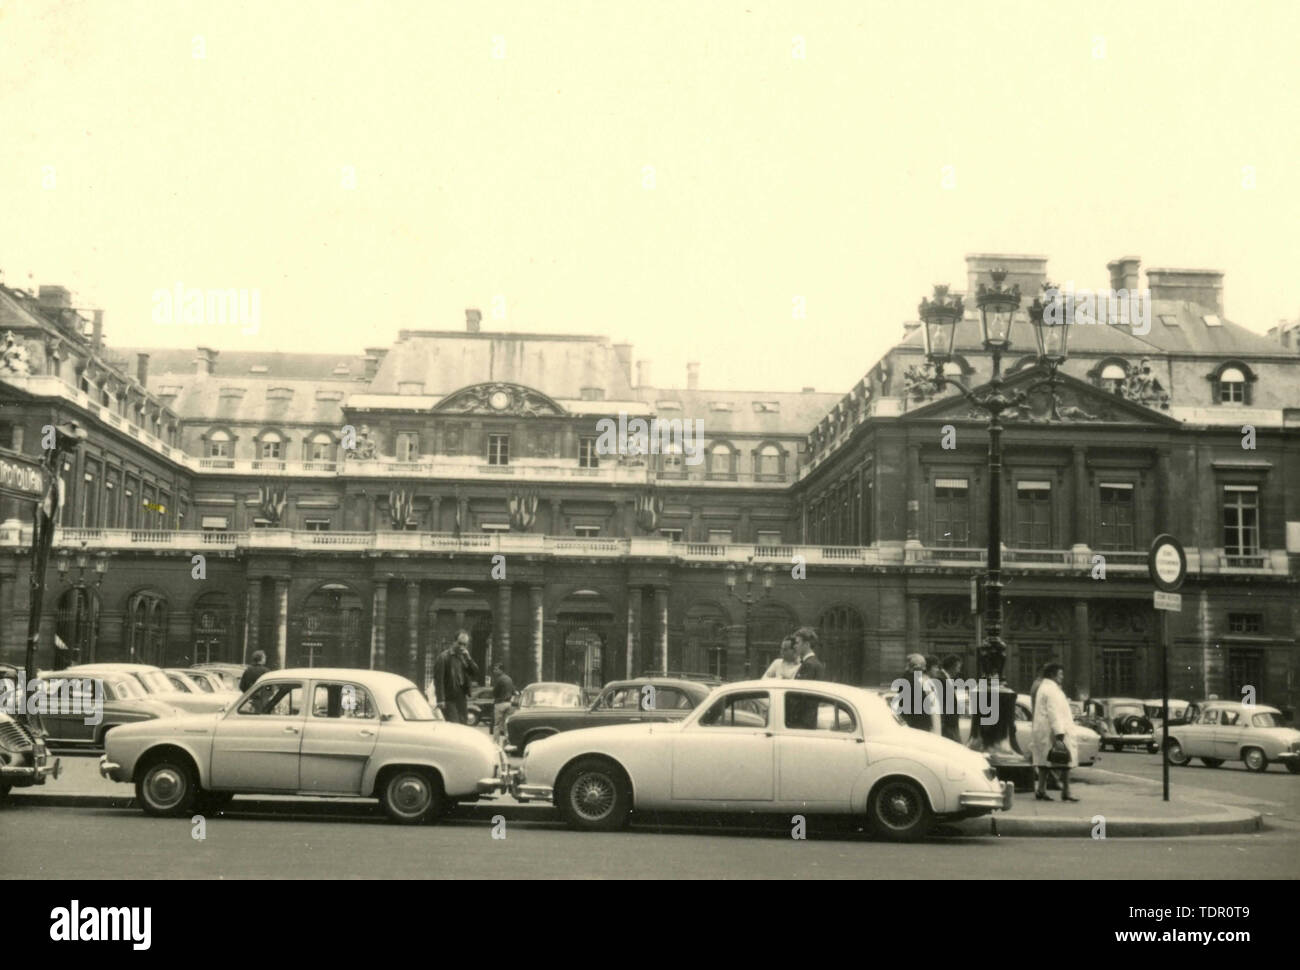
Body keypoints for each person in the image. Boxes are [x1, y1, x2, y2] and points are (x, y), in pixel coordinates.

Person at [1030, 662, 1078, 802]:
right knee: (1066, 761)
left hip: (1043, 730)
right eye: (1060, 674)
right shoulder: (1052, 690)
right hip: (1053, 730)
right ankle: (1066, 791)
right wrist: (1059, 732)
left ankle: (1041, 790)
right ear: (1052, 675)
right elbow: (1054, 711)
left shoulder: (1044, 687)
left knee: (1044, 762)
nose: (1062, 677)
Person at [433, 629, 480, 724]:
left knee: (463, 723)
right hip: (449, 698)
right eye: (460, 643)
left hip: (461, 697)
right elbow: (439, 680)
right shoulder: (444, 657)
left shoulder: (464, 657)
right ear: (454, 642)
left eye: (465, 644)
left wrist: (469, 658)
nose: (462, 647)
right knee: (454, 724)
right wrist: (441, 699)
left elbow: (475, 673)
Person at [899, 653, 941, 734]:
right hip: (918, 726)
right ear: (916, 666)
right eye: (923, 666)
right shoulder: (911, 680)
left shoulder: (912, 678)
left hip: (918, 725)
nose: (924, 668)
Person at [939, 654, 963, 742]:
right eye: (958, 667)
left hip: (951, 723)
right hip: (948, 724)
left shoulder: (945, 678)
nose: (959, 671)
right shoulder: (941, 679)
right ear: (952, 667)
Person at [489, 662, 515, 744]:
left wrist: (495, 696)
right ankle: (508, 742)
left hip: (499, 703)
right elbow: (513, 691)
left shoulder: (499, 679)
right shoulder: (509, 679)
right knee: (506, 725)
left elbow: (494, 692)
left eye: (496, 669)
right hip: (509, 703)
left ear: (501, 670)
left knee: (497, 725)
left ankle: (495, 743)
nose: (494, 671)